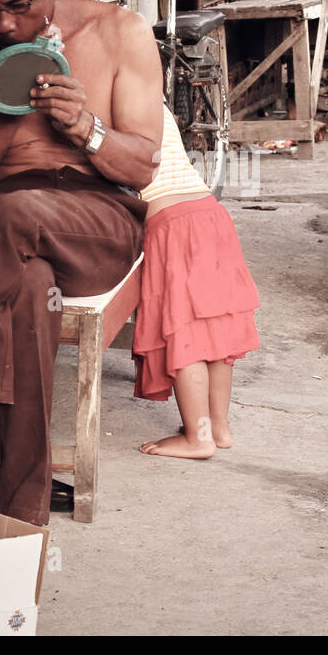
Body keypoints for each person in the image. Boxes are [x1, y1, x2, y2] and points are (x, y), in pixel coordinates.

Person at [0, 0, 163, 525]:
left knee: (12, 215)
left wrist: (84, 129)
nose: (4, 24)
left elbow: (142, 168)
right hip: (1, 222)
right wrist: (8, 108)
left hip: (98, 216)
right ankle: (21, 506)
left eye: (18, 4)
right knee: (29, 288)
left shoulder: (121, 32)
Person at [133, 104, 260, 459]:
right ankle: (218, 428)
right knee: (215, 333)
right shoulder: (152, 98)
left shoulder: (103, 101)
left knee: (185, 332)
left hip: (172, 223)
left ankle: (197, 437)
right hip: (210, 212)